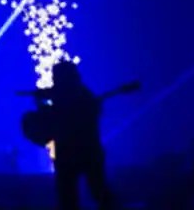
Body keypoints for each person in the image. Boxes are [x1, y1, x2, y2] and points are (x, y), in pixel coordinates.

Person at [19, 61, 139, 210]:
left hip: (80, 152)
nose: (54, 81)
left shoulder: (78, 97)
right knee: (81, 194)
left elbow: (55, 119)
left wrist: (43, 104)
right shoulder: (80, 95)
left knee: (90, 193)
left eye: (56, 77)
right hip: (80, 152)